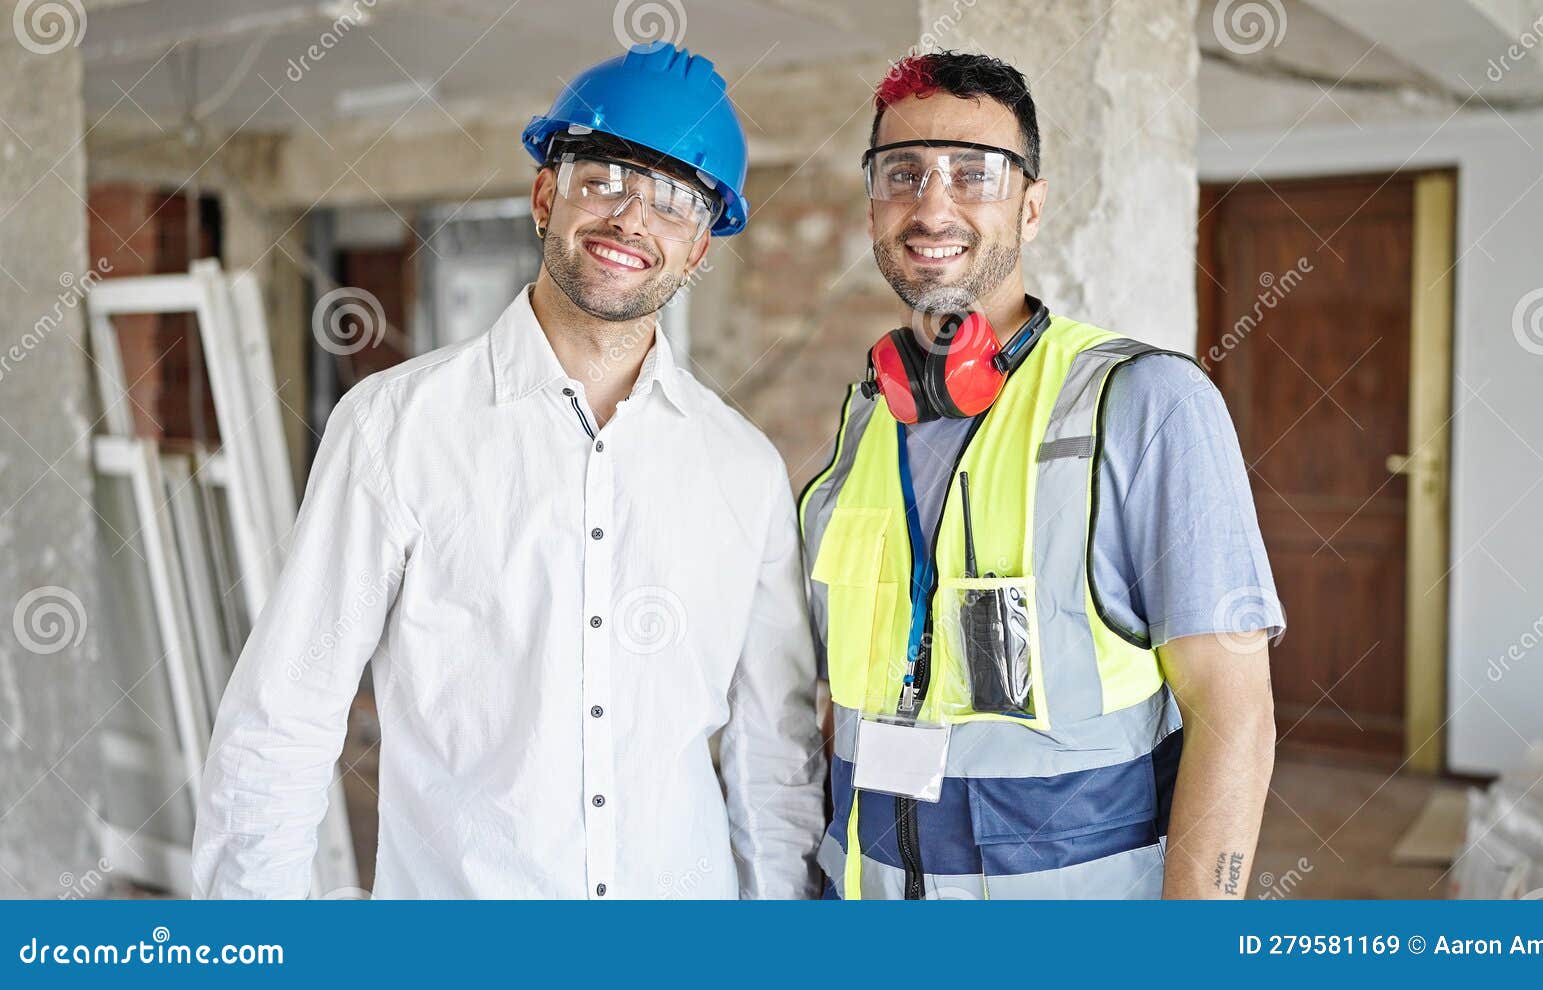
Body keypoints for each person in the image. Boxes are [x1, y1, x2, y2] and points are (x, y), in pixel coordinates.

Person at [192, 42, 824, 899]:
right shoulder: (394, 428)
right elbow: (282, 722)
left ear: (703, 246)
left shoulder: (742, 469)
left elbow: (773, 759)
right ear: (543, 195)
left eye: (675, 198)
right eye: (603, 177)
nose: (632, 219)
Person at [800, 51, 1283, 899]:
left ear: (1030, 208)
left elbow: (1233, 715)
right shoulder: (863, 420)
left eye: (974, 174)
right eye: (902, 172)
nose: (932, 204)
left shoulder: (1145, 404)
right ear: (873, 204)